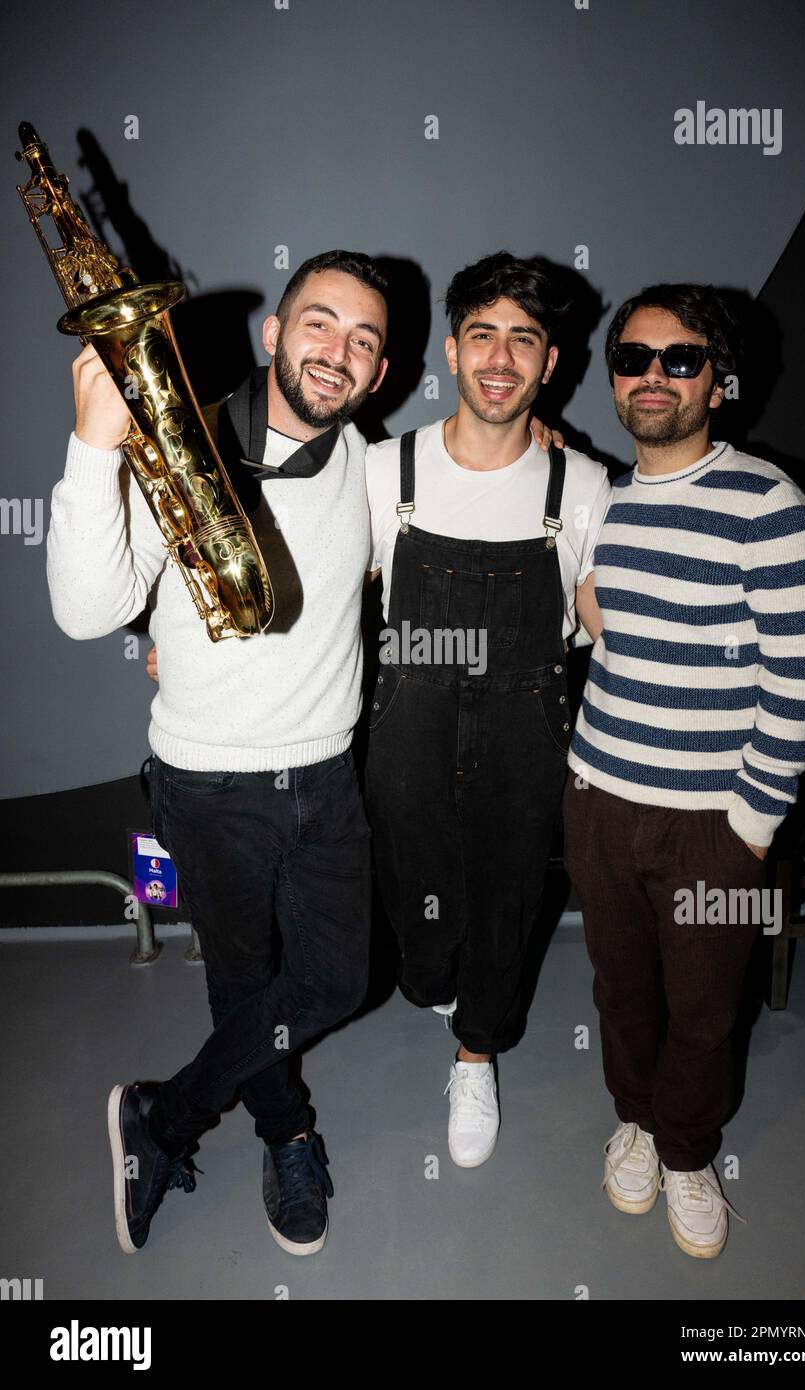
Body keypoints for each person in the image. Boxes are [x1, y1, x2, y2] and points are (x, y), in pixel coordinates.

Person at [47, 250, 390, 1256]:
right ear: (273, 334)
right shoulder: (179, 446)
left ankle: (165, 1115)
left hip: (326, 777)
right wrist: (92, 446)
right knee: (243, 982)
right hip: (205, 785)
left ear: (378, 371)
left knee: (333, 980)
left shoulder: (379, 469)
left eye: (363, 340)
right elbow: (86, 610)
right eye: (319, 323)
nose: (339, 351)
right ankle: (286, 1132)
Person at [561, 284, 805, 1257]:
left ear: (716, 382)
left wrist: (745, 832)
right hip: (596, 803)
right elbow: (587, 628)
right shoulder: (599, 506)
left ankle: (684, 1148)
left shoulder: (769, 507)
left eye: (678, 360)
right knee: (619, 990)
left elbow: (795, 691)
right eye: (631, 358)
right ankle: (634, 1117)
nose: (650, 377)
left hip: (709, 827)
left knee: (708, 1007)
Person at [364, 252, 610, 1167]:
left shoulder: (581, 488)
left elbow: (604, 619)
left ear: (550, 363)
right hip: (411, 719)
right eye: (484, 336)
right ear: (452, 350)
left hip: (522, 726)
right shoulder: (386, 471)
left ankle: (478, 1052)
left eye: (525, 340)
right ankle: (440, 981)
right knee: (420, 920)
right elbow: (314, 587)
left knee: (507, 896)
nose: (501, 360)